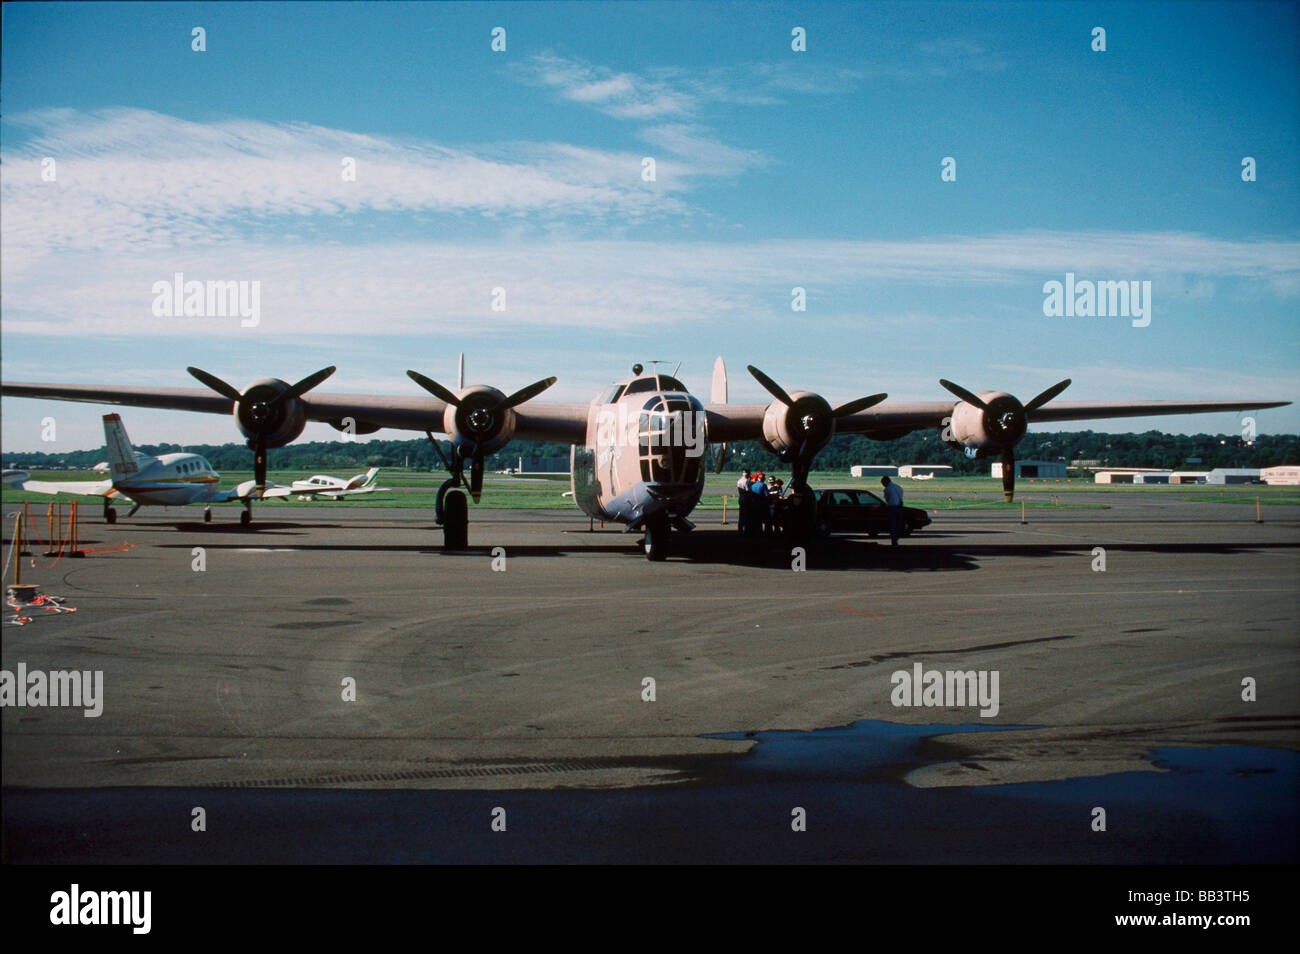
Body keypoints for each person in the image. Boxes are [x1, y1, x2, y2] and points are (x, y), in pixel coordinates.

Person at [881, 475, 904, 546]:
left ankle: (894, 540)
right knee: (899, 524)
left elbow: (887, 499)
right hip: (899, 507)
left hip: (891, 507)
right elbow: (901, 497)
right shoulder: (898, 487)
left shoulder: (887, 489)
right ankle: (896, 538)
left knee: (892, 524)